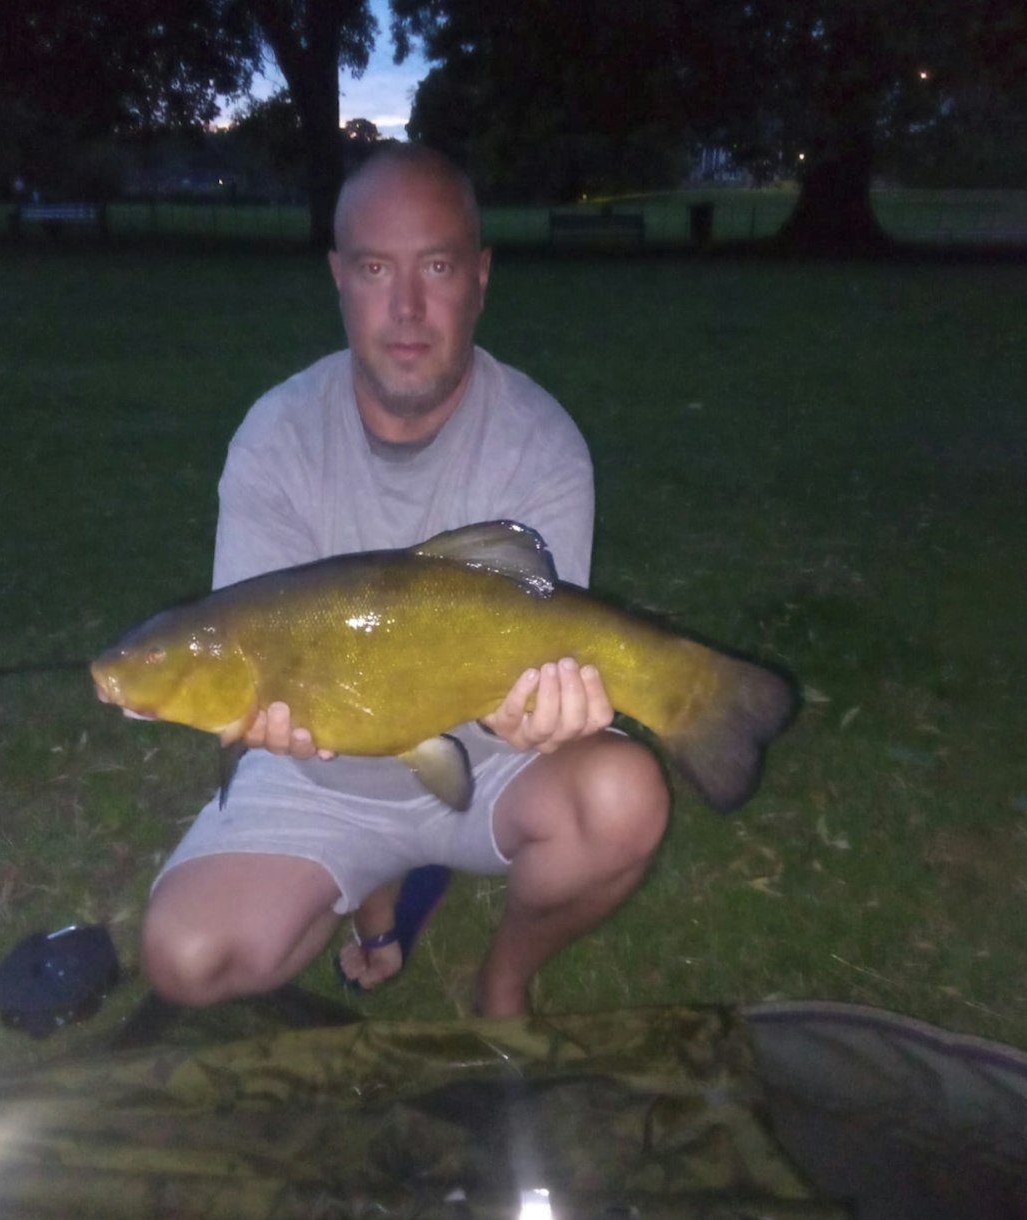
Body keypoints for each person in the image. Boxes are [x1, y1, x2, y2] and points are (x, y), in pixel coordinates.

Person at [140, 145, 671, 1018]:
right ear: (340, 279)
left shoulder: (541, 441)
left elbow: (540, 649)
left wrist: (550, 709)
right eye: (378, 268)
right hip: (315, 773)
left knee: (623, 798)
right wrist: (271, 724)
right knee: (186, 959)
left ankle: (503, 981)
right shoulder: (275, 438)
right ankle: (370, 884)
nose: (409, 307)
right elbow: (243, 652)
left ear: (480, 278)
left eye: (437, 265)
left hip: (489, 758)